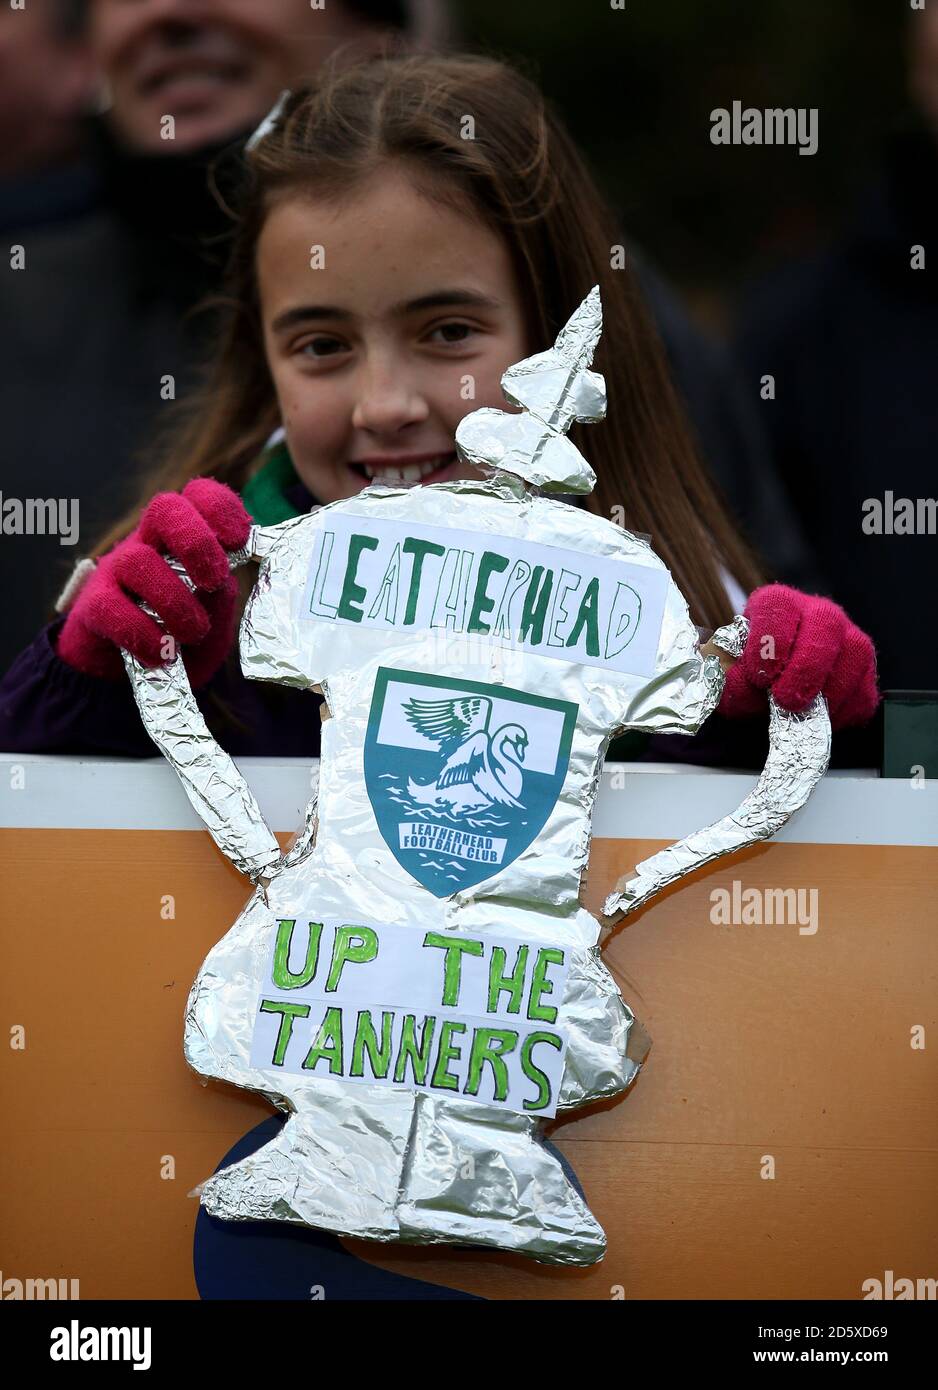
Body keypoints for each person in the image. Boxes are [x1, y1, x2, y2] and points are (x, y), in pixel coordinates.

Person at [0, 51, 878, 766]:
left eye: (449, 332)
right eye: (323, 347)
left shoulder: (691, 627)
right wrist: (96, 687)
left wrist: (791, 728)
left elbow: (834, 910)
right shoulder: (191, 609)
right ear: (261, 363)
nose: (384, 405)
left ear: (566, 342)